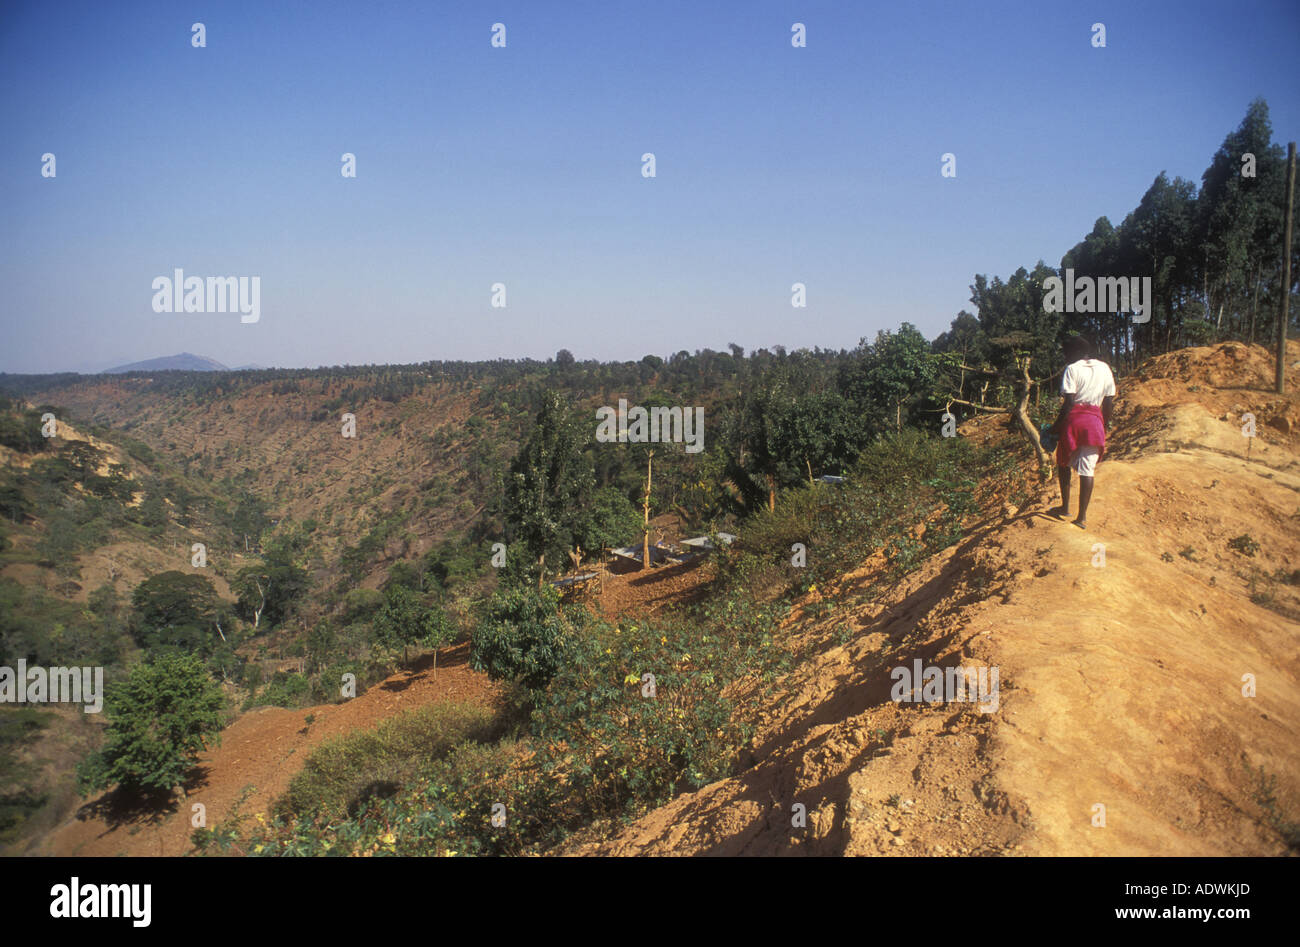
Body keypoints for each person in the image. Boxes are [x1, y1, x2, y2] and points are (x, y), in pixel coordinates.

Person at [1047, 336, 1115, 529]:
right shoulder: (1104, 368)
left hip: (1075, 421)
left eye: (1067, 352)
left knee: (1063, 462)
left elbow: (1069, 403)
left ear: (1075, 352)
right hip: (1094, 422)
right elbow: (1109, 402)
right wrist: (1104, 424)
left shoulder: (1072, 369)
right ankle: (1082, 517)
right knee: (1088, 470)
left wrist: (1055, 426)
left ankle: (1065, 508)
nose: (1066, 356)